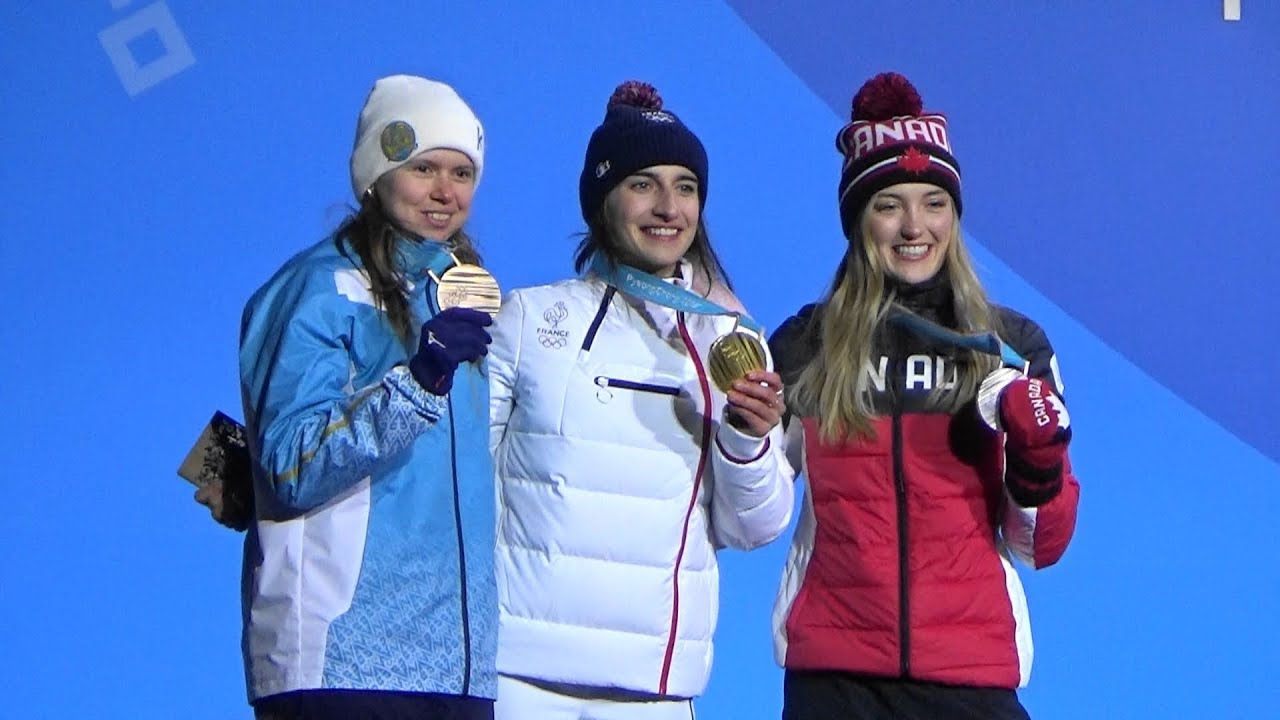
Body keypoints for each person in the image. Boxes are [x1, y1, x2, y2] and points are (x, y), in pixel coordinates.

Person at [768, 72, 1081, 720]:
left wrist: (1039, 458)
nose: (915, 226)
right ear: (859, 221)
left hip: (971, 676)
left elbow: (1039, 546)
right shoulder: (806, 343)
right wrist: (741, 439)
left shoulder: (1012, 344)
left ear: (955, 215)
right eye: (889, 204)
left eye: (933, 202)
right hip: (835, 682)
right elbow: (755, 519)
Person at [486, 81, 796, 719]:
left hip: (654, 689)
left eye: (685, 187)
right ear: (603, 200)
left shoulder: (732, 339)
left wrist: (745, 440)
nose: (667, 207)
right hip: (519, 676)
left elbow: (756, 527)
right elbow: (460, 487)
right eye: (642, 183)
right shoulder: (528, 319)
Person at [237, 74, 497, 720]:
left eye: (461, 173)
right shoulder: (318, 290)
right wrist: (418, 380)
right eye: (423, 168)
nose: (445, 192)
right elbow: (291, 465)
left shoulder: (460, 294)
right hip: (341, 654)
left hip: (456, 665)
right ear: (376, 176)